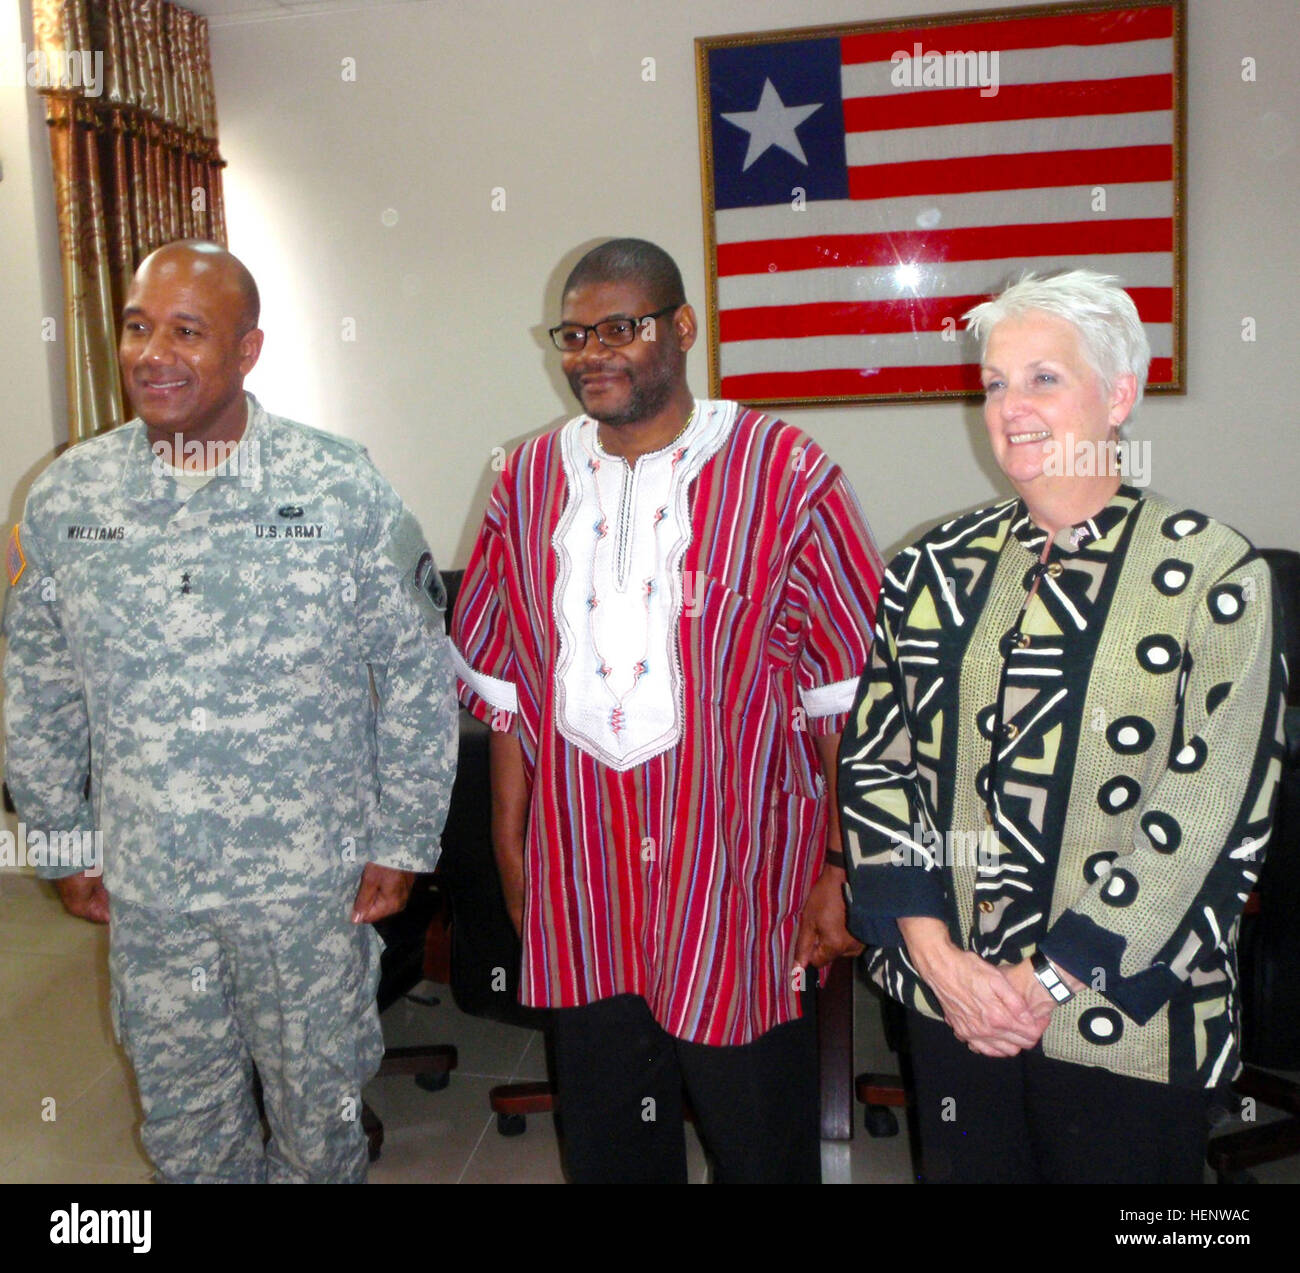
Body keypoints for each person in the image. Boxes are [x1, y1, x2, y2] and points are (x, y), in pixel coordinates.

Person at [2, 240, 459, 1183]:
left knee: (319, 1121)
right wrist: (58, 843)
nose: (152, 352)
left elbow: (416, 667)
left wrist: (404, 840)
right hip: (152, 886)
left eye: (186, 330)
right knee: (183, 1127)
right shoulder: (67, 499)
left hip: (308, 887)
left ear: (247, 351)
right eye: (136, 326)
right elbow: (35, 681)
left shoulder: (336, 487)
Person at [840, 270, 1286, 1184]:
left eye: (1044, 378)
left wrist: (1045, 980)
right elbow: (876, 763)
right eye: (997, 382)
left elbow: (1215, 807)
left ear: (1121, 393)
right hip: (952, 1001)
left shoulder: (1215, 573)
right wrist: (943, 961)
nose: (1010, 407)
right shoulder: (929, 566)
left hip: (1129, 1017)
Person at [451, 238, 882, 1183]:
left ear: (683, 329)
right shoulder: (525, 483)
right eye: (573, 333)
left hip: (737, 885)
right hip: (585, 886)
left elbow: (845, 699)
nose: (591, 351)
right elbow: (510, 691)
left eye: (620, 327)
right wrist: (514, 856)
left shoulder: (786, 473)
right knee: (609, 1148)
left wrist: (844, 865)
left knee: (760, 1144)